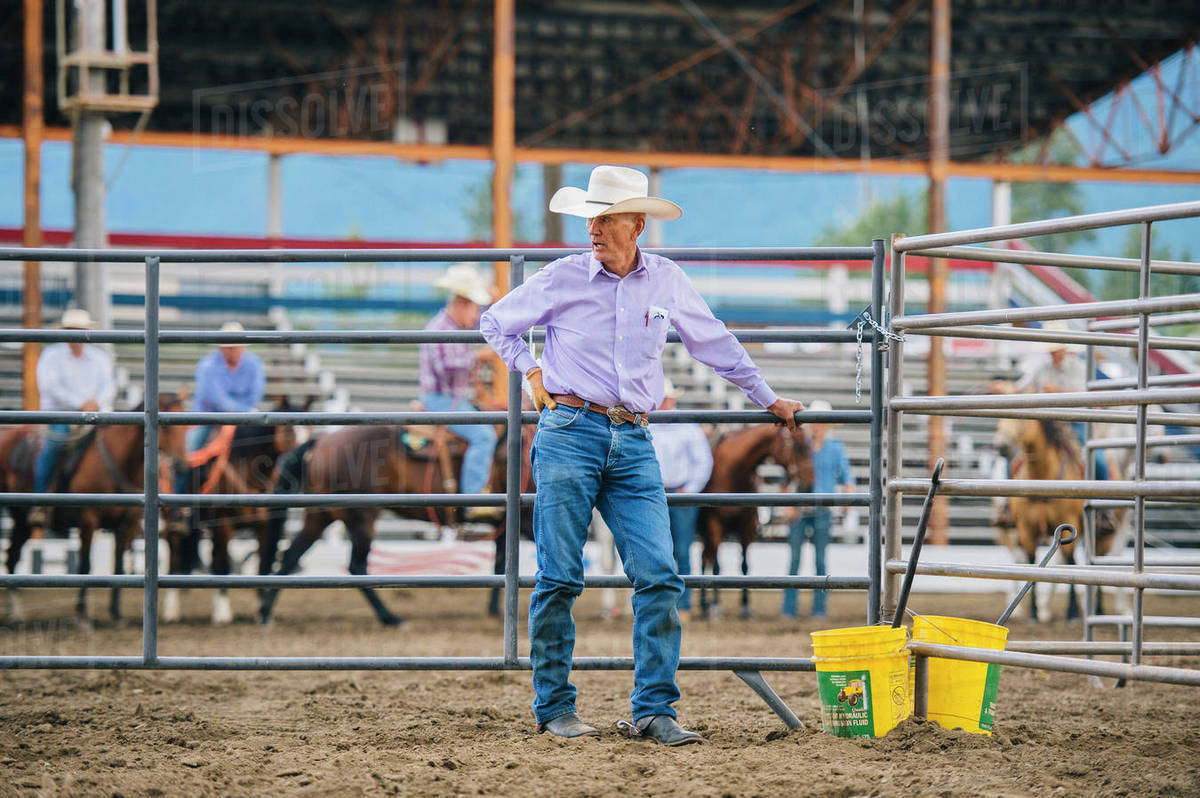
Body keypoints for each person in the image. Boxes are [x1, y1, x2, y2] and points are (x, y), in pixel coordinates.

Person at [480, 164, 805, 745]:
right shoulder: (562, 277)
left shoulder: (667, 281)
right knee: (561, 575)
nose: (594, 229)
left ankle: (654, 708)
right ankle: (554, 705)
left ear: (637, 225)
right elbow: (496, 322)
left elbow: (715, 343)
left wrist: (767, 397)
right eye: (591, 219)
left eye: (605, 219)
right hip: (570, 429)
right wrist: (530, 370)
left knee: (658, 572)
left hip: (632, 437)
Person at [419, 263, 499, 513]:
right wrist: (479, 357)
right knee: (484, 436)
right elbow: (446, 367)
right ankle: (472, 500)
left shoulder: (453, 325)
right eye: (475, 307)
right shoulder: (439, 330)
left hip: (449, 397)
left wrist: (493, 303)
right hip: (440, 399)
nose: (476, 315)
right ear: (463, 303)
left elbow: (484, 323)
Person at [28, 308, 117, 528]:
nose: (76, 334)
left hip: (96, 414)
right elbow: (50, 388)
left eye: (79, 330)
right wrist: (82, 404)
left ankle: (124, 501)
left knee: (119, 445)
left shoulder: (99, 357)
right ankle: (40, 501)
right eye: (72, 330)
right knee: (54, 446)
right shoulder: (52, 355)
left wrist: (94, 403)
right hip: (62, 415)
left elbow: (109, 386)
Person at [781, 399, 854, 619]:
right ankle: (790, 608)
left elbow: (847, 478)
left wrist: (848, 497)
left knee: (819, 560)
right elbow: (786, 479)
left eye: (820, 421)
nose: (817, 425)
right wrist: (788, 504)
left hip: (822, 509)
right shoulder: (800, 446)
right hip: (801, 507)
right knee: (795, 560)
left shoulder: (835, 448)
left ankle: (818, 608)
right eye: (814, 421)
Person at [174, 321, 266, 494]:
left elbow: (256, 394)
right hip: (209, 417)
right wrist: (242, 411)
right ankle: (176, 501)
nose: (231, 350)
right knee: (188, 451)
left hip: (242, 417)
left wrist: (240, 412)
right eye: (228, 346)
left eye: (235, 346)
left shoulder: (254, 364)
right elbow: (217, 399)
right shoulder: (208, 365)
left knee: (266, 445)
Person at [650, 380, 713, 621]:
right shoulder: (651, 423)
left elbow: (703, 463)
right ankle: (667, 606)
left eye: (667, 398)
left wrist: (691, 489)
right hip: (656, 495)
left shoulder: (687, 426)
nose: (665, 402)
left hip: (679, 493)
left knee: (682, 551)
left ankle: (683, 605)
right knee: (658, 553)